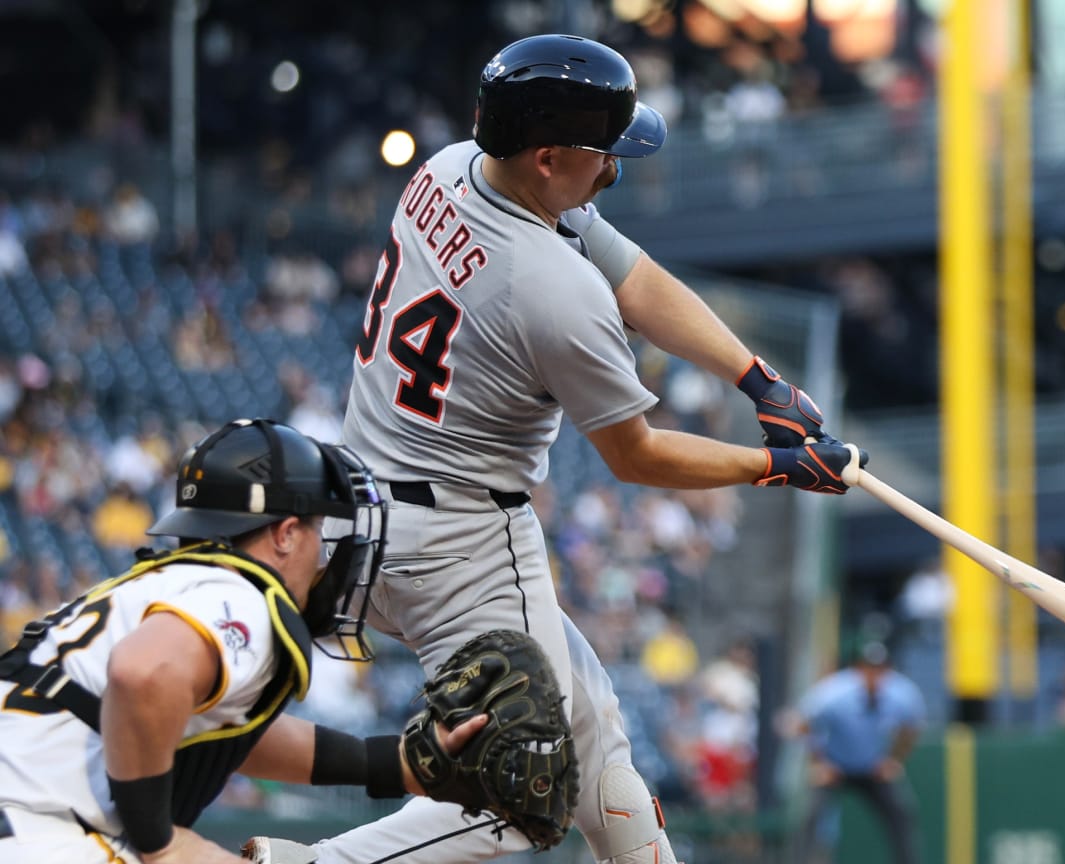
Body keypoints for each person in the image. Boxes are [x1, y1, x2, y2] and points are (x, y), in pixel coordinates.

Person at [254, 33, 867, 864]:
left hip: (363, 503)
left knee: (590, 717)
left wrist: (758, 382)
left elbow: (635, 273)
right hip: (461, 545)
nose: (614, 169)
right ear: (546, 158)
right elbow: (636, 455)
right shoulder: (551, 287)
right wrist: (774, 465)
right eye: (601, 154)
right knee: (522, 791)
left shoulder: (448, 168)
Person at [0, 419, 482, 863]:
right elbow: (142, 672)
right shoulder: (242, 596)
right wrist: (160, 843)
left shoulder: (168, 585)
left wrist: (390, 763)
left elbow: (209, 729)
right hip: (40, 834)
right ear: (287, 534)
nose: (323, 555)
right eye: (318, 530)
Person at [792, 641, 925, 864]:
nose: (874, 674)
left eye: (880, 668)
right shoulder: (835, 692)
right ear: (858, 669)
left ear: (888, 670)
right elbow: (803, 724)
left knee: (902, 813)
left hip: (872, 767)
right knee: (810, 815)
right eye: (868, 668)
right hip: (836, 765)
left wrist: (893, 760)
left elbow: (912, 727)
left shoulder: (901, 692)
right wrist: (820, 762)